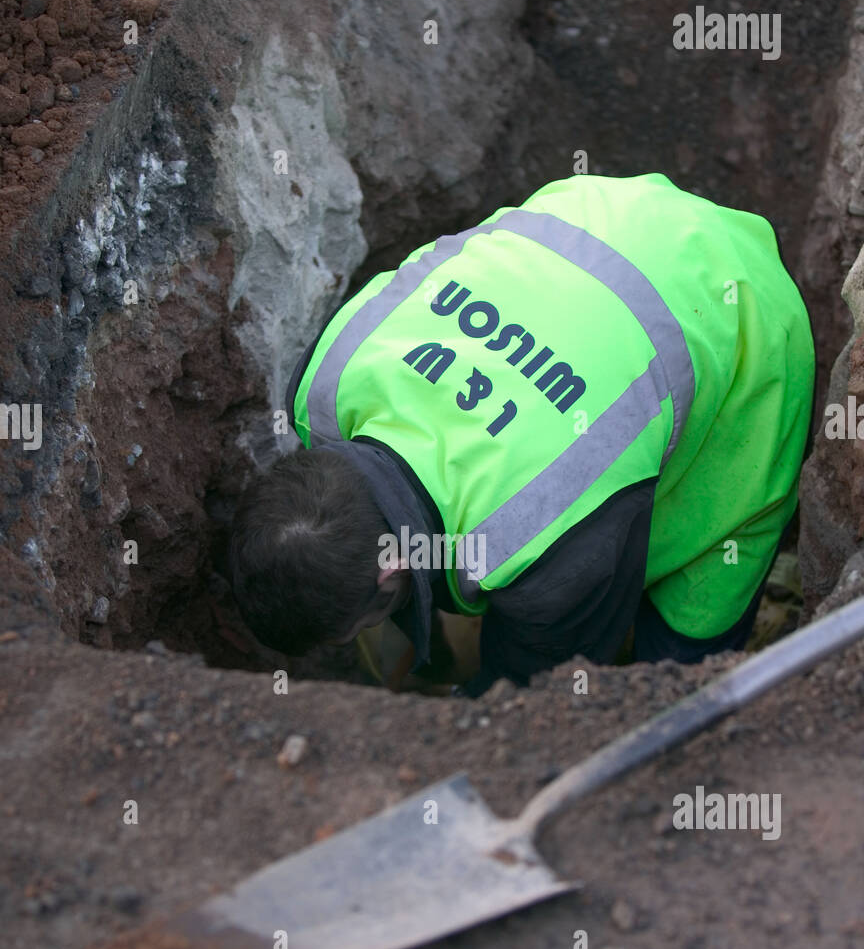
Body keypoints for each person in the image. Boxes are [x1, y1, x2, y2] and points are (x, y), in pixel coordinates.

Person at [229, 173, 814, 696]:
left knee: (691, 625)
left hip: (743, 315)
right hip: (593, 214)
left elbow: (536, 698)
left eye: (363, 623)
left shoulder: (546, 553)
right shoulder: (324, 385)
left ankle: (689, 733)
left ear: (390, 570)